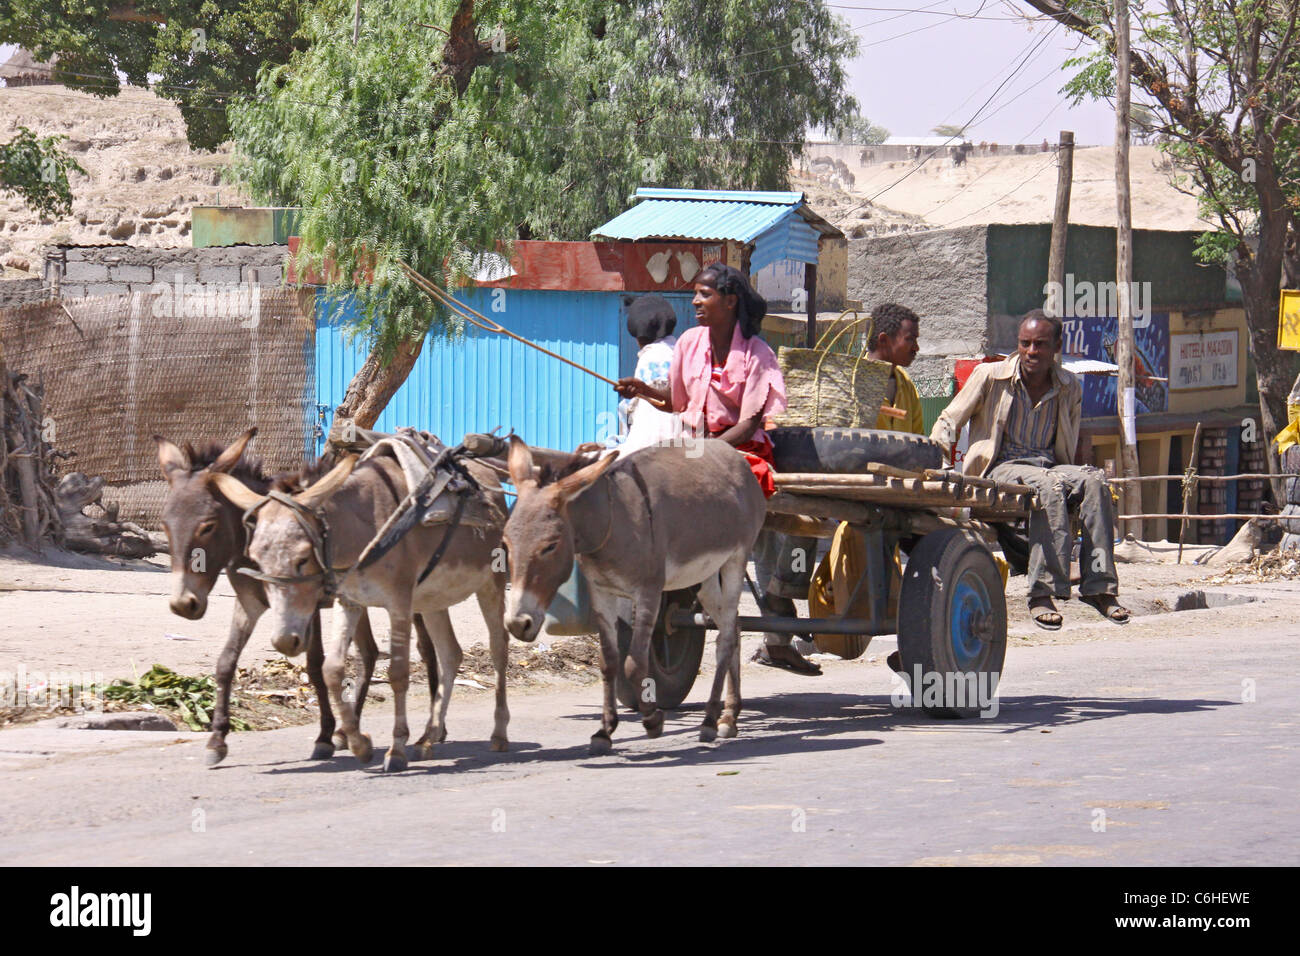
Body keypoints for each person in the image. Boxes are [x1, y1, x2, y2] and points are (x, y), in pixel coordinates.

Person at [613, 262, 819, 674]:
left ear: (730, 300)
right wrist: (643, 391)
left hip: (741, 452)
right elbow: (676, 401)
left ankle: (717, 570)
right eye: (695, 294)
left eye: (704, 295)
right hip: (695, 448)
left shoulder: (759, 354)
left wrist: (708, 452)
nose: (695, 302)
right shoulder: (689, 343)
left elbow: (749, 424)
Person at [930, 309, 1129, 629]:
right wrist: (939, 460)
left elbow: (1069, 442)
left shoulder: (1069, 387)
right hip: (1000, 469)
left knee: (1095, 481)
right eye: (1025, 344)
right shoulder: (990, 377)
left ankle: (1100, 587)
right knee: (1047, 486)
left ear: (1056, 346)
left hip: (1050, 467)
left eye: (1040, 344)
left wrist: (1069, 477)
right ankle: (1042, 593)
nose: (1031, 351)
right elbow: (949, 420)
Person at [808, 303, 924, 669]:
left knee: (931, 547)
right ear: (886, 341)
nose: (917, 348)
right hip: (856, 491)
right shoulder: (848, 378)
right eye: (911, 340)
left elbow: (917, 444)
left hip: (898, 497)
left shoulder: (905, 386)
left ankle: (917, 645)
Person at [580, 295, 678, 452]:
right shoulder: (678, 352)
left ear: (637, 336)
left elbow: (653, 433)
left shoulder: (653, 358)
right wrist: (605, 445)